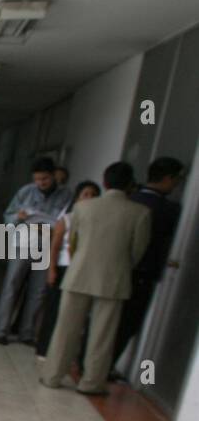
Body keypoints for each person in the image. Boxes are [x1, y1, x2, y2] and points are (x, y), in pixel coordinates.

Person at [40, 162, 151, 395]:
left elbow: (74, 243)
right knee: (103, 334)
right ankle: (91, 383)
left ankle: (52, 375)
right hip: (114, 279)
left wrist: (80, 261)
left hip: (79, 274)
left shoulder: (84, 207)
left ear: (105, 181)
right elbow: (137, 251)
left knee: (66, 328)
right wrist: (120, 266)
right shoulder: (140, 212)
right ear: (130, 185)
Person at [109, 156, 185, 378]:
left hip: (115, 270)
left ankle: (89, 363)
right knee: (126, 323)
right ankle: (104, 368)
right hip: (141, 274)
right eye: (176, 180)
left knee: (106, 320)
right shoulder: (167, 209)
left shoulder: (129, 199)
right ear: (168, 179)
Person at [0, 157, 72, 345]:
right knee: (11, 285)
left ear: (53, 176)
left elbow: (68, 221)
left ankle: (26, 333)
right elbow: (8, 215)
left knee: (38, 291)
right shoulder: (25, 192)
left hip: (48, 246)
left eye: (44, 179)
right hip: (23, 242)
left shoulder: (66, 195)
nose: (40, 183)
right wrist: (18, 218)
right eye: (37, 179)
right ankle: (1, 330)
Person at [35, 180, 100, 358]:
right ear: (77, 197)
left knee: (73, 314)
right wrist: (52, 270)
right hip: (64, 267)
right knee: (54, 309)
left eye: (94, 195)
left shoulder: (97, 221)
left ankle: (63, 352)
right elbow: (54, 247)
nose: (89, 198)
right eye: (86, 194)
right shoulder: (67, 219)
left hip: (83, 271)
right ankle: (44, 348)